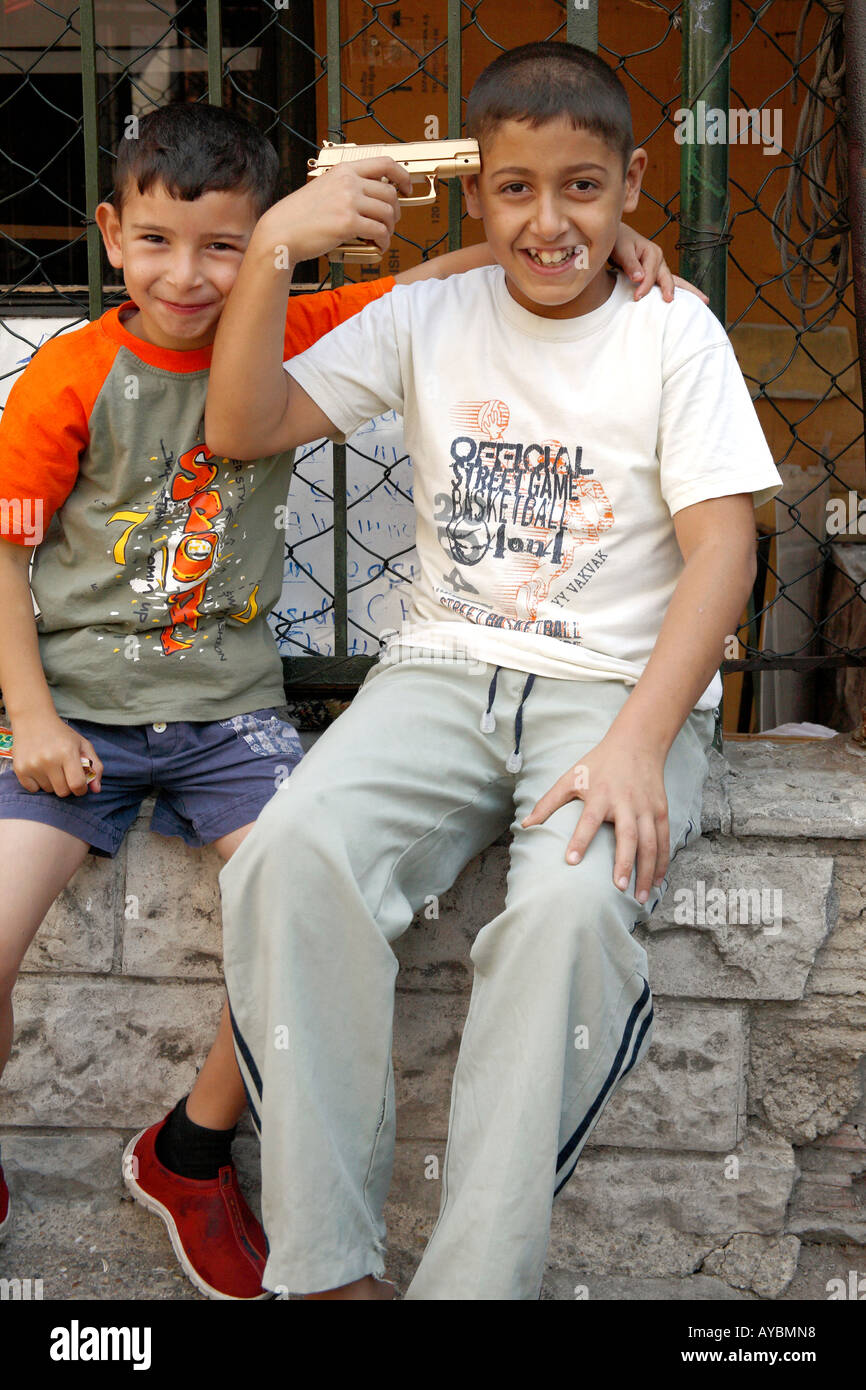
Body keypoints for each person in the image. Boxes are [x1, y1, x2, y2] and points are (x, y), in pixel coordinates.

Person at [0, 99, 677, 1298]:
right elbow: (4, 554)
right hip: (78, 710)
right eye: (156, 242)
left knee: (295, 899)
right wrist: (35, 718)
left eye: (225, 246)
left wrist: (592, 237)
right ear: (109, 234)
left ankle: (191, 1148)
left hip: (228, 717)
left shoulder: (288, 329)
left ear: (267, 240)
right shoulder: (68, 375)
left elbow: (443, 280)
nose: (189, 276)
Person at [206, 40, 782, 1302]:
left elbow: (723, 549)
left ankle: (472, 1287)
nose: (547, 220)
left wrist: (638, 742)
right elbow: (242, 426)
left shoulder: (671, 330)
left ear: (633, 183)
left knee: (567, 918)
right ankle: (327, 1272)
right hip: (437, 675)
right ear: (474, 193)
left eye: (581, 187)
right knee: (289, 858)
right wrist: (273, 246)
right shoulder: (431, 310)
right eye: (514, 189)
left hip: (610, 694)